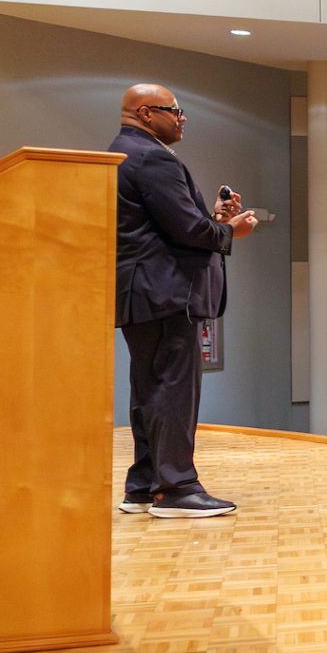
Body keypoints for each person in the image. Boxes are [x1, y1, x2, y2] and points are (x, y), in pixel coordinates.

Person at [109, 84, 257, 518]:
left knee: (151, 388)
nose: (182, 117)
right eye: (174, 110)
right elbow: (189, 233)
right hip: (166, 292)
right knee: (174, 390)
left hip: (143, 293)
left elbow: (172, 226)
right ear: (145, 112)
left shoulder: (124, 152)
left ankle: (143, 484)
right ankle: (176, 489)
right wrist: (232, 232)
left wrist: (215, 219)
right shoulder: (151, 156)